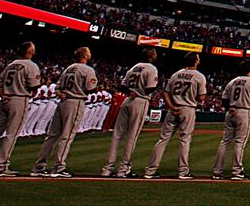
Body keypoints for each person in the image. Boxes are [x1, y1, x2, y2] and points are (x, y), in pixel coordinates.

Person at [33, 46, 98, 177]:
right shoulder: (88, 69)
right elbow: (90, 88)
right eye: (89, 52)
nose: (90, 54)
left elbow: (57, 88)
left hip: (62, 102)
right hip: (76, 101)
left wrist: (60, 93)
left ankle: (39, 167)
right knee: (67, 136)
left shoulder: (69, 68)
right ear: (84, 55)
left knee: (52, 135)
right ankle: (58, 167)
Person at [0, 40, 40, 177]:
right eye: (33, 49)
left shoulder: (10, 65)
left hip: (4, 99)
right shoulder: (31, 65)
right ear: (30, 51)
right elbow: (34, 85)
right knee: (12, 134)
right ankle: (2, 166)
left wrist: (4, 95)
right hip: (19, 99)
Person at [143, 51, 207, 179]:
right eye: (198, 59)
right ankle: (183, 172)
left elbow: (166, 92)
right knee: (185, 139)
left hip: (173, 108)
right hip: (187, 108)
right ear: (196, 61)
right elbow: (201, 97)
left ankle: (150, 171)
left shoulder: (176, 74)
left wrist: (171, 106)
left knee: (163, 139)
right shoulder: (199, 76)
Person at [101, 47, 159, 177]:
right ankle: (123, 169)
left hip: (127, 100)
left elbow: (121, 86)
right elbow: (150, 88)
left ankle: (107, 168)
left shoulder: (134, 67)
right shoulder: (151, 68)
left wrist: (130, 92)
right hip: (140, 101)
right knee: (132, 136)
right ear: (151, 56)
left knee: (117, 135)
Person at [213, 59, 250, 181]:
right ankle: (236, 172)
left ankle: (217, 172)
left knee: (225, 142)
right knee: (239, 143)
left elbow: (224, 99)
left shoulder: (232, 82)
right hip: (243, 111)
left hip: (230, 112)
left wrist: (230, 107)